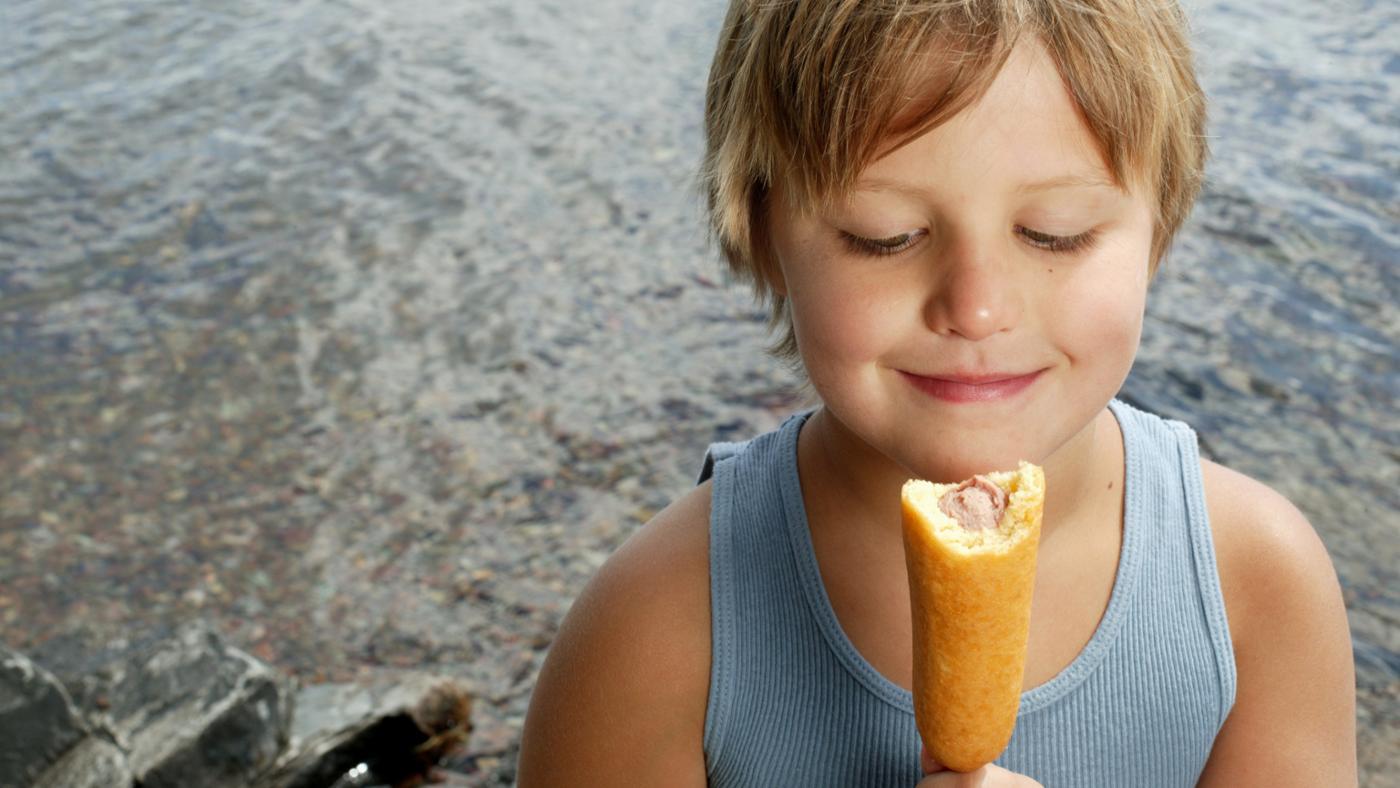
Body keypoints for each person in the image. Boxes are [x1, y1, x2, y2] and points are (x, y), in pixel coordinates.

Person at [516, 1, 1358, 785]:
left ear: (1159, 227)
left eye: (1054, 231)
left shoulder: (1256, 584)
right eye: (885, 237)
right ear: (763, 232)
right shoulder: (654, 627)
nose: (977, 306)